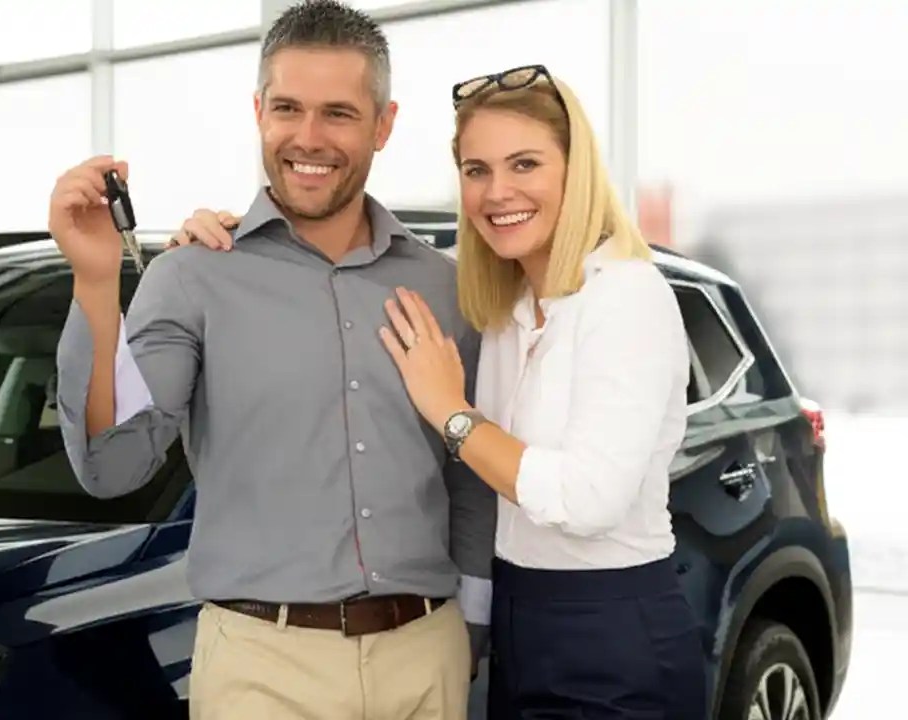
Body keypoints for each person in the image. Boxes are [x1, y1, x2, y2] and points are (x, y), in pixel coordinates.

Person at [172, 64, 707, 718]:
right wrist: (229, 242)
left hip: (614, 629)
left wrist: (452, 413)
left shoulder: (625, 295)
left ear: (578, 171)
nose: (498, 192)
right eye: (477, 170)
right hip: (520, 624)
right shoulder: (501, 309)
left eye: (525, 164)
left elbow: (587, 499)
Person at [46, 2, 495, 719]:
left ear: (383, 125)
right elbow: (111, 466)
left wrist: (470, 628)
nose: (308, 138)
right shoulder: (193, 276)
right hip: (263, 671)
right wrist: (96, 284)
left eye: (338, 114)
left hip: (426, 657)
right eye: (287, 108)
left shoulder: (445, 288)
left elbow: (467, 478)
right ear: (259, 111)